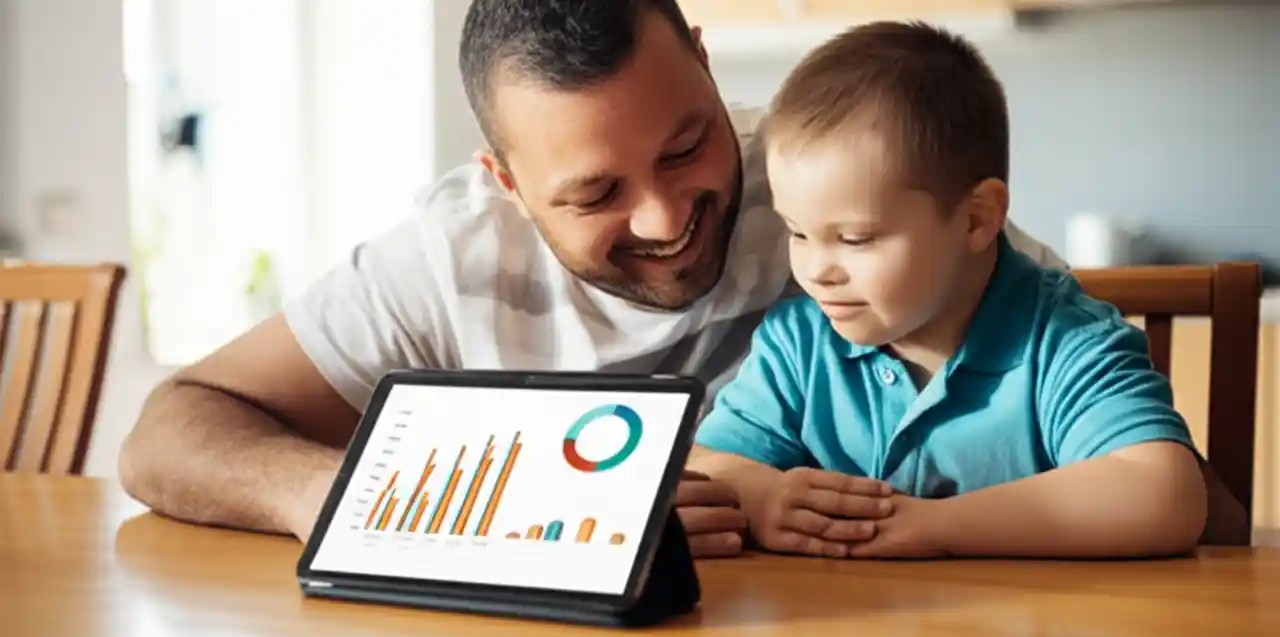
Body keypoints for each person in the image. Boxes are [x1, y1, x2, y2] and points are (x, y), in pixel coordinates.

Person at [118, 0, 1066, 558]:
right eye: (595, 193)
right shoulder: (449, 256)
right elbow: (171, 430)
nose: (665, 217)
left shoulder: (831, 185)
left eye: (686, 146)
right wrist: (388, 501)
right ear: (506, 182)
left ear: (704, 61)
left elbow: (1074, 373)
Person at [689, 22, 1209, 559]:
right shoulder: (797, 346)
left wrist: (933, 526)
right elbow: (707, 466)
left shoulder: (1065, 341)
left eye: (855, 239)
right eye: (797, 232)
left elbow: (1164, 492)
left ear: (976, 219)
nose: (816, 270)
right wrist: (762, 497)